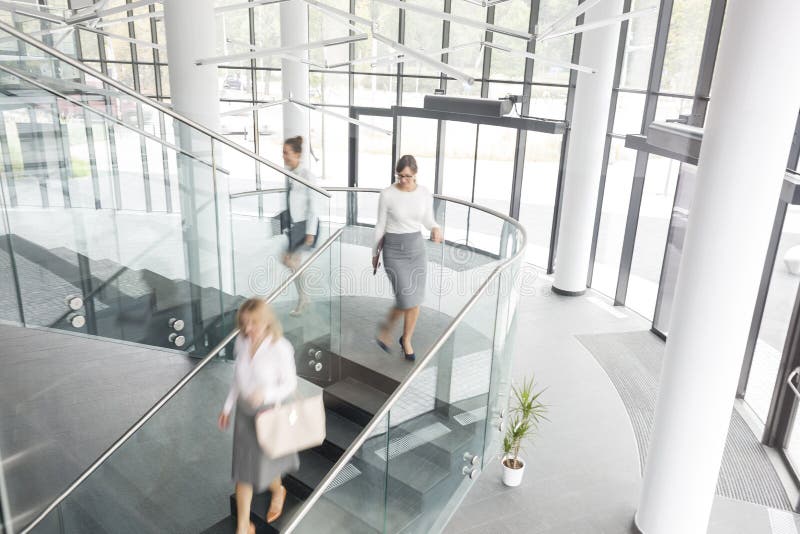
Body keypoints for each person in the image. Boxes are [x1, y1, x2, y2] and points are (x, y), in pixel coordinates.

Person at [218, 298, 298, 534]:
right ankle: (244, 527)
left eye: (253, 323)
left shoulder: (280, 347)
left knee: (266, 466)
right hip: (244, 413)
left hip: (268, 413)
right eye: (244, 323)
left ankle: (278, 491)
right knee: (244, 469)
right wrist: (227, 407)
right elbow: (237, 378)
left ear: (266, 321)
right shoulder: (242, 341)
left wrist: (266, 393)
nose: (248, 329)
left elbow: (290, 384)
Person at [373, 155, 443, 361]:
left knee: (415, 299)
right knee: (405, 298)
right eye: (400, 176)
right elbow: (380, 225)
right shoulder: (387, 195)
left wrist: (436, 228)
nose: (403, 180)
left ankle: (406, 339)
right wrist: (374, 252)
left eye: (408, 176)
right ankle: (386, 329)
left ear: (415, 174)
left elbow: (428, 219)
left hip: (416, 249)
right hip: (393, 250)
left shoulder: (423, 193)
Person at [281, 135, 320, 317]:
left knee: (292, 261)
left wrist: (310, 233)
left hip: (305, 227)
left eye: (286, 153)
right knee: (290, 261)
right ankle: (304, 297)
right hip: (296, 226)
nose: (284, 156)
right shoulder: (291, 173)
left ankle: (304, 298)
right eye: (283, 152)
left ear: (297, 154)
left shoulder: (307, 176)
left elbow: (314, 206)